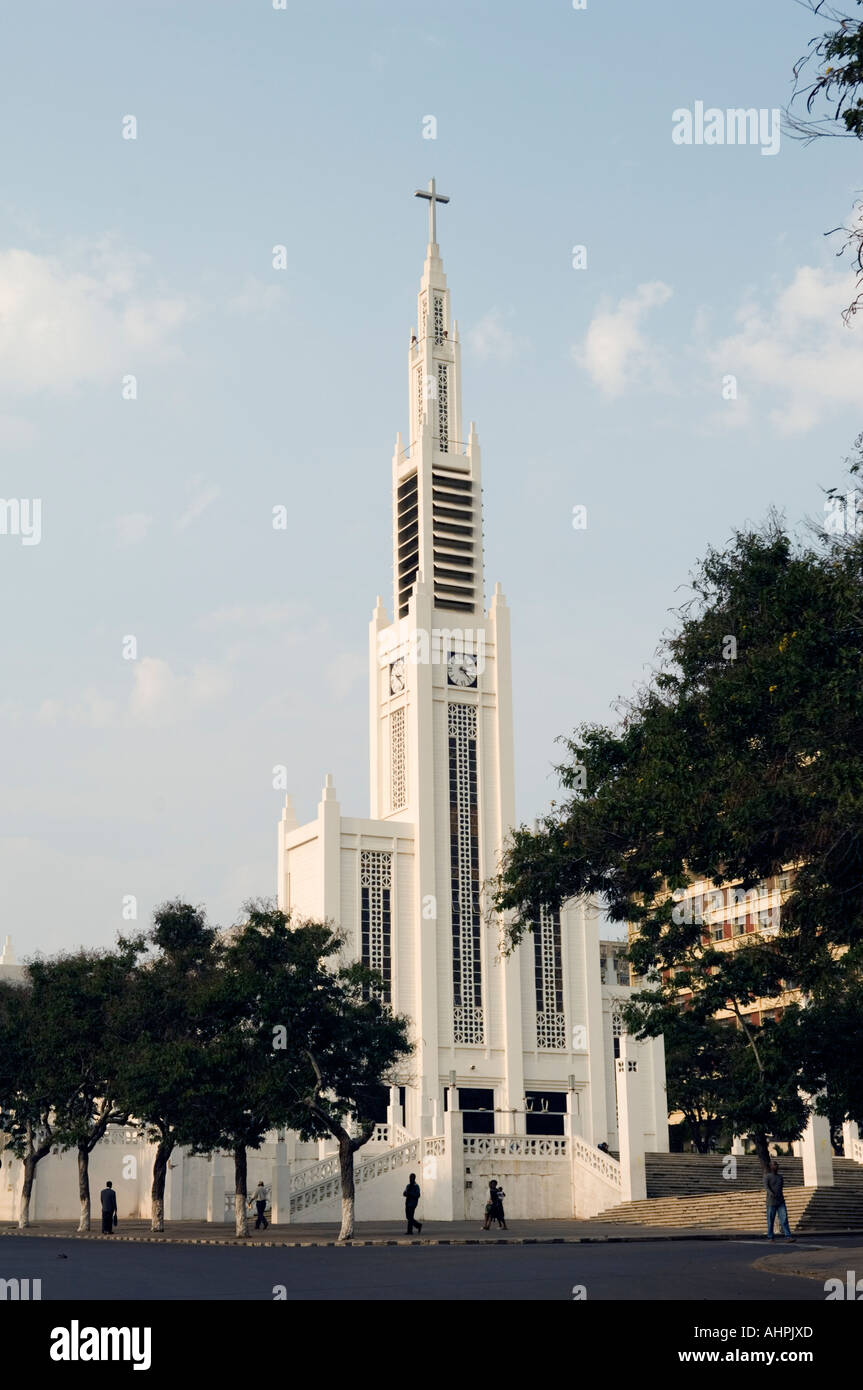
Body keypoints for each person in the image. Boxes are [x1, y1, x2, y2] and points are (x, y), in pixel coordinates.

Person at [764, 1160, 795, 1241]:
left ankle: (788, 1236)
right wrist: (771, 1193)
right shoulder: (767, 1176)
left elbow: (781, 1188)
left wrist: (780, 1196)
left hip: (780, 1201)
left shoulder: (780, 1177)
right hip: (771, 1202)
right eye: (774, 1165)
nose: (776, 1166)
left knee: (784, 1219)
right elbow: (766, 1187)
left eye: (777, 1165)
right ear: (771, 1167)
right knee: (770, 1220)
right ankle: (770, 1237)